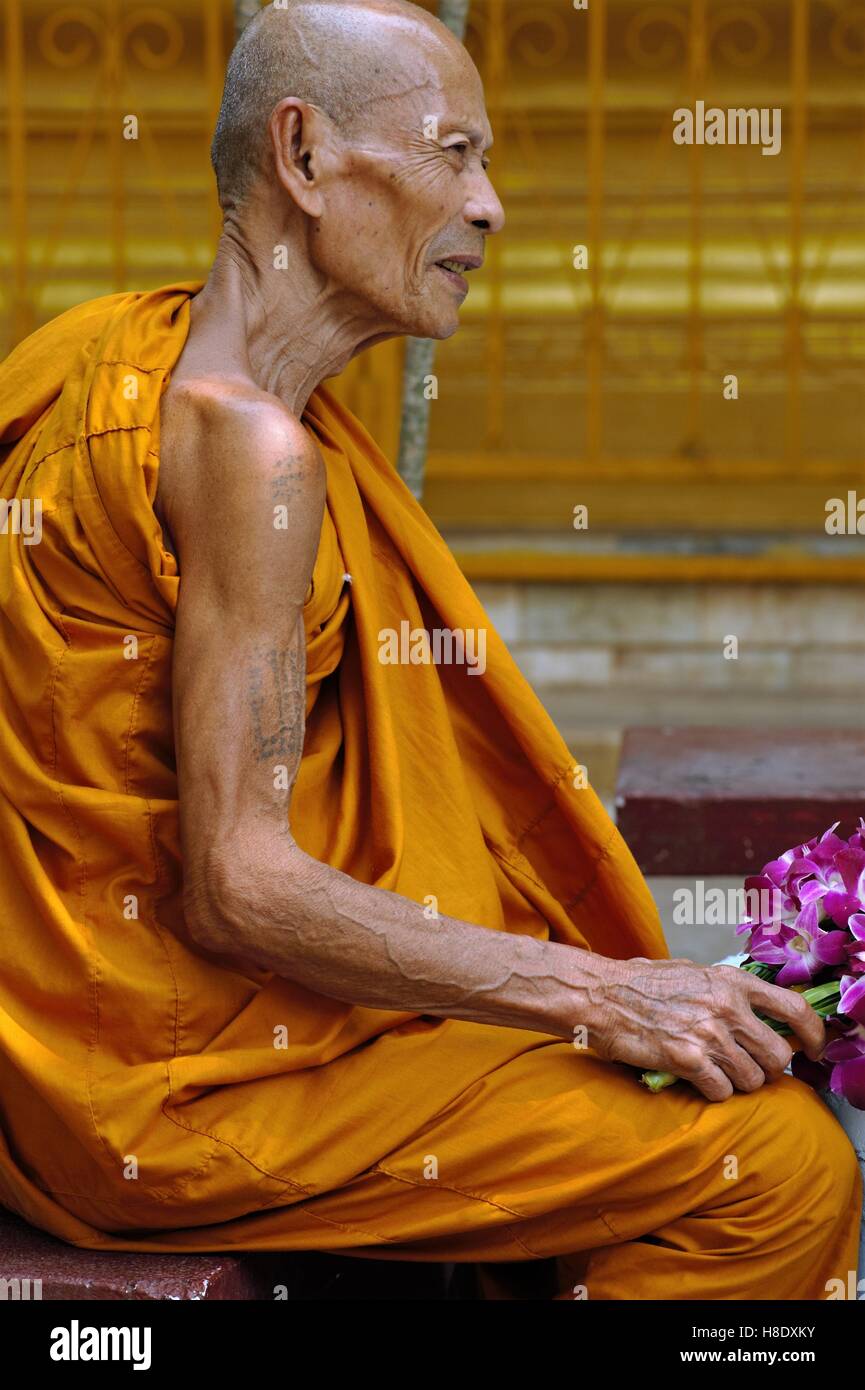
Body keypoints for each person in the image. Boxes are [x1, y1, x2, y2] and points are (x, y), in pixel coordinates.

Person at [0, 0, 858, 1300]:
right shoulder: (252, 453)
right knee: (775, 1160)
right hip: (170, 1092)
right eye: (454, 153)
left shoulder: (103, 356)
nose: (490, 205)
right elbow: (237, 885)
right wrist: (604, 991)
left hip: (82, 1046)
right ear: (300, 155)